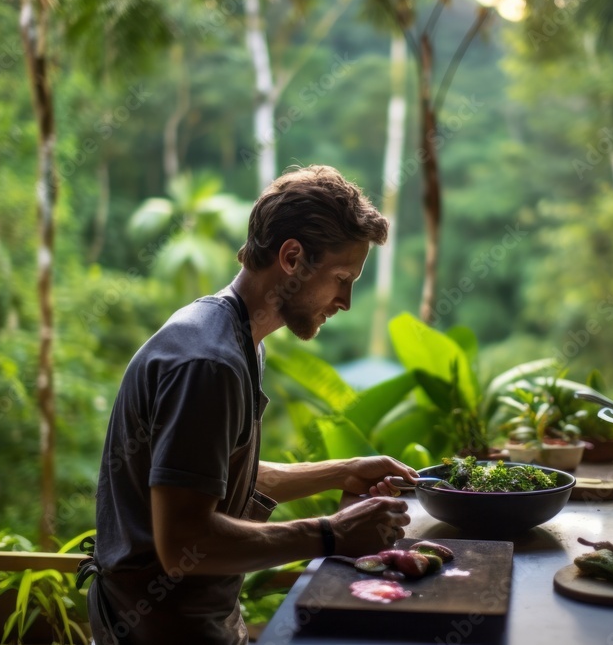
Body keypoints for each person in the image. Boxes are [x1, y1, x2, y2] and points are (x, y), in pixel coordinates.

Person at [83, 165, 418, 645]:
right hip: (158, 629)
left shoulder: (238, 338)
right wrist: (331, 533)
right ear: (292, 257)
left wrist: (346, 470)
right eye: (342, 277)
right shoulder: (209, 361)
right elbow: (182, 543)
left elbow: (207, 477)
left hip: (195, 619)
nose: (345, 300)